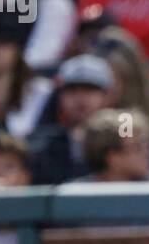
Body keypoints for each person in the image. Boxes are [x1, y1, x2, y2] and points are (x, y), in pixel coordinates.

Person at [28, 54, 115, 185]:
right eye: (72, 90)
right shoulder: (43, 144)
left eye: (89, 89)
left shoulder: (124, 133)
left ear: (107, 96)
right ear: (60, 97)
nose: (80, 98)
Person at [77, 108, 149, 183]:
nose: (147, 152)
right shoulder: (75, 195)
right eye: (138, 146)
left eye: (146, 145)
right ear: (112, 157)